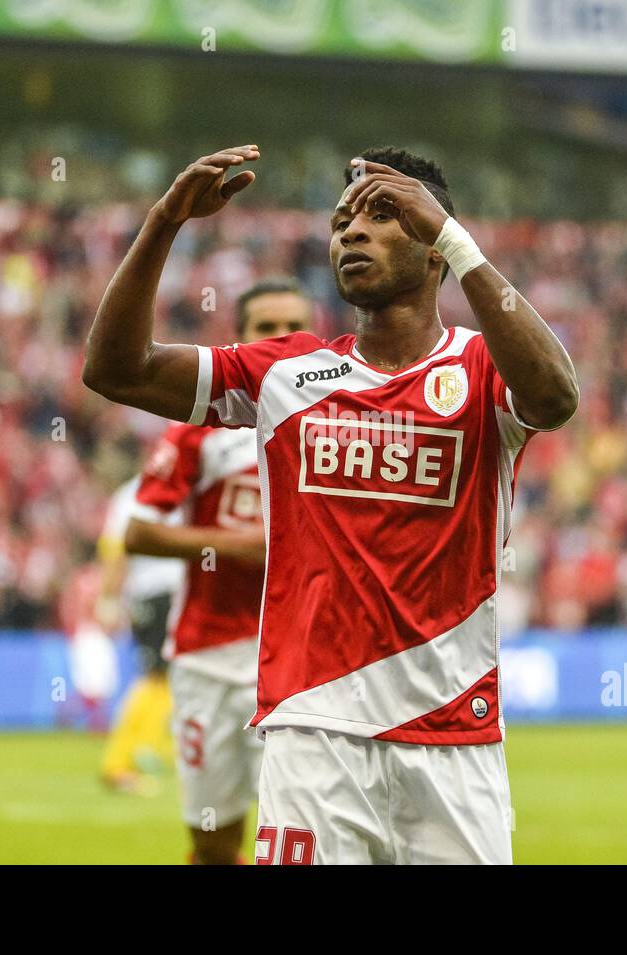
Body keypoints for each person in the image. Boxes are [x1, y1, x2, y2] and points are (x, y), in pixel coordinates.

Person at [82, 144, 578, 864]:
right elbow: (114, 368)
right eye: (344, 218)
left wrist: (456, 238)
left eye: (384, 214)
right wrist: (164, 221)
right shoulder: (287, 372)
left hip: (453, 740)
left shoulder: (480, 371)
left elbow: (557, 398)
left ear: (435, 242)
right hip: (314, 733)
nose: (352, 230)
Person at [123, 278, 313, 863]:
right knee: (212, 843)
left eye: (294, 329)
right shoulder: (197, 429)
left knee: (307, 838)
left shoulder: (337, 421)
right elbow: (138, 532)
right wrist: (239, 545)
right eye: (266, 330)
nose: (282, 342)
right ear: (240, 341)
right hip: (207, 658)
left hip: (301, 662)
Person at [96, 475, 186, 793]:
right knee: (156, 677)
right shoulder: (137, 493)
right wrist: (107, 599)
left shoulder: (134, 491)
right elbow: (116, 552)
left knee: (165, 677)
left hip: (168, 594)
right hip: (158, 594)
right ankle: (120, 762)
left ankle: (143, 752)